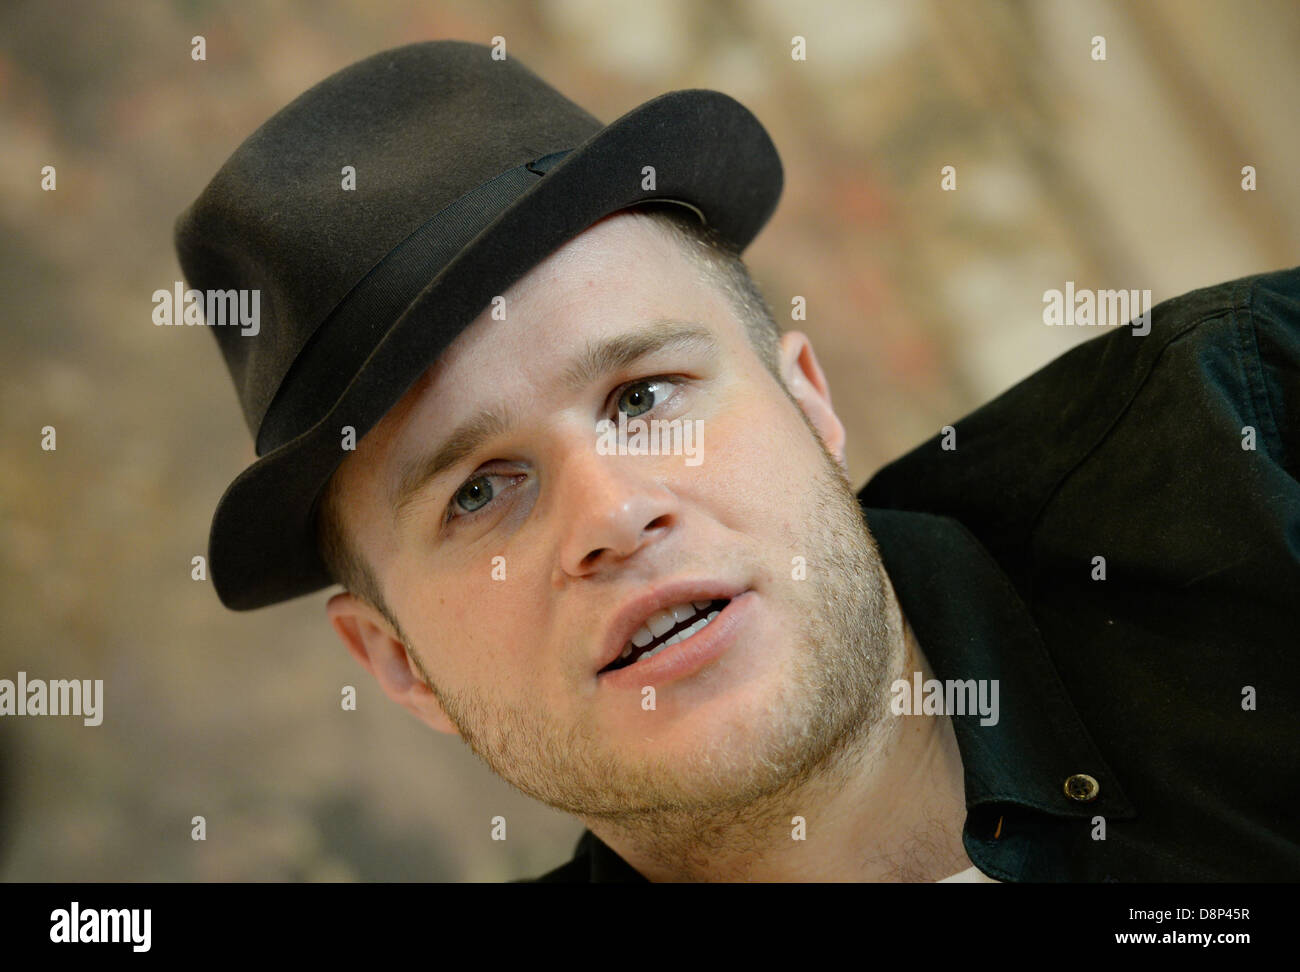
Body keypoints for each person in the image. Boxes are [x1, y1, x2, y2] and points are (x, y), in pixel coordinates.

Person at [176, 40, 1300, 882]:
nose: (611, 515)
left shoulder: (1262, 448)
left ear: (807, 399)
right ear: (398, 664)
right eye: (476, 492)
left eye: (645, 396)